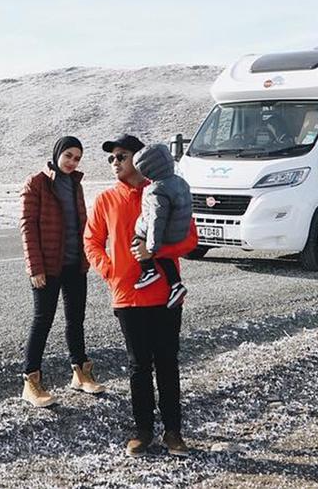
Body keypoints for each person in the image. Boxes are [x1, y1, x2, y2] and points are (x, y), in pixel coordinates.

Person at [84, 134, 198, 458]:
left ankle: (173, 432)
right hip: (128, 298)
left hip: (165, 294)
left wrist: (156, 249)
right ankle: (143, 431)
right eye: (111, 158)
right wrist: (110, 271)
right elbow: (91, 242)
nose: (115, 162)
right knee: (138, 366)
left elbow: (191, 238)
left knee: (167, 363)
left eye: (121, 156)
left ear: (139, 158)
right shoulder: (106, 200)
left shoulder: (164, 188)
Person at [19, 135, 106, 408]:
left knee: (76, 319)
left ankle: (80, 372)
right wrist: (35, 267)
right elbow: (27, 227)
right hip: (47, 266)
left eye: (77, 158)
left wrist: (87, 258)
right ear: (57, 153)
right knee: (42, 320)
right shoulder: (37, 183)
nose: (72, 162)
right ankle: (31, 381)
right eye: (68, 155)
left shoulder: (76, 185)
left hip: (74, 264)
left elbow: (82, 226)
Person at [131, 143, 191, 308]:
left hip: (165, 232)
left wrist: (151, 248)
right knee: (166, 258)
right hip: (179, 230)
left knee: (137, 240)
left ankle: (149, 270)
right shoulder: (180, 181)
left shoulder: (156, 189)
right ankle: (176, 285)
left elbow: (157, 218)